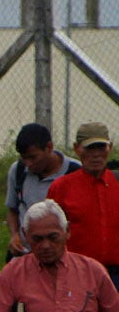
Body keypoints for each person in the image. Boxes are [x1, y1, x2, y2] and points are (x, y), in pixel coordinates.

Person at [46, 122, 119, 290]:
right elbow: (49, 232)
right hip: (77, 274)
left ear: (110, 148)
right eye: (89, 149)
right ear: (77, 149)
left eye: (102, 148)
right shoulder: (61, 188)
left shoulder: (116, 183)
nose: (96, 155)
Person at [4, 122, 79, 261]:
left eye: (33, 157)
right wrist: (14, 235)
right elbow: (13, 210)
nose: (28, 163)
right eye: (23, 158)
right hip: (25, 256)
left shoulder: (75, 172)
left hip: (62, 257)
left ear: (49, 147)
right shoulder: (18, 171)